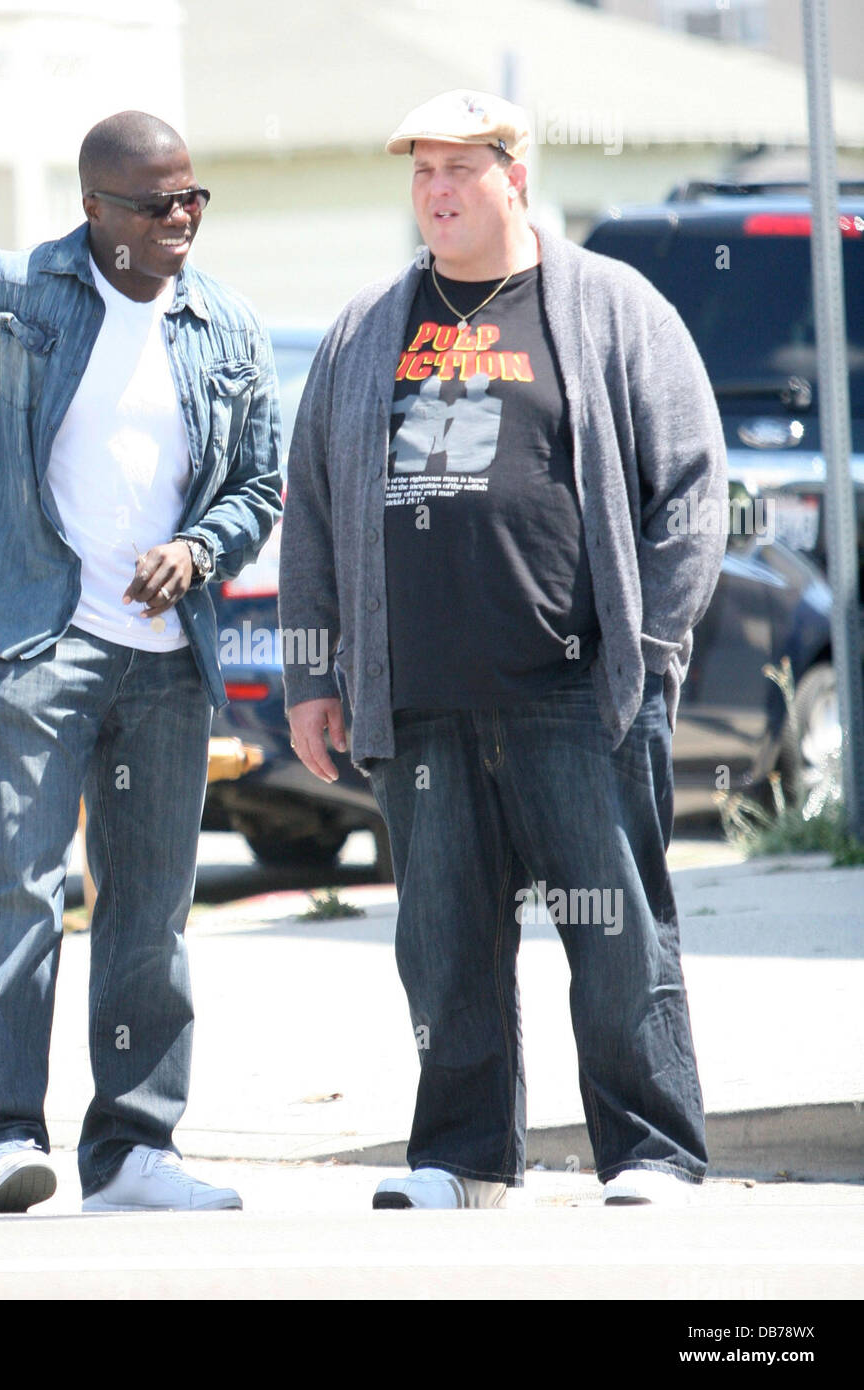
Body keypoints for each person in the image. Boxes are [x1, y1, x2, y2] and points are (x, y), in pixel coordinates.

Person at [278, 90, 727, 1210]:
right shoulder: (364, 329)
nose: (436, 190)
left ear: (515, 177)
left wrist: (654, 643)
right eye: (421, 171)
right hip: (418, 699)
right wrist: (311, 676)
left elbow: (692, 486)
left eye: (459, 169)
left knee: (617, 933)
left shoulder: (611, 309)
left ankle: (652, 1153)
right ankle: (462, 1157)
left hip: (575, 694)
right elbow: (315, 511)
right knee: (441, 948)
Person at [0, 110, 282, 1214]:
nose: (178, 221)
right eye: (153, 205)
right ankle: (2, 1140)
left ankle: (134, 1148)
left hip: (163, 661)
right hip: (33, 647)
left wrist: (199, 549)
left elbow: (260, 483)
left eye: (192, 198)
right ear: (94, 209)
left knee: (151, 906)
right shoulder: (8, 300)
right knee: (20, 889)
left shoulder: (226, 326)